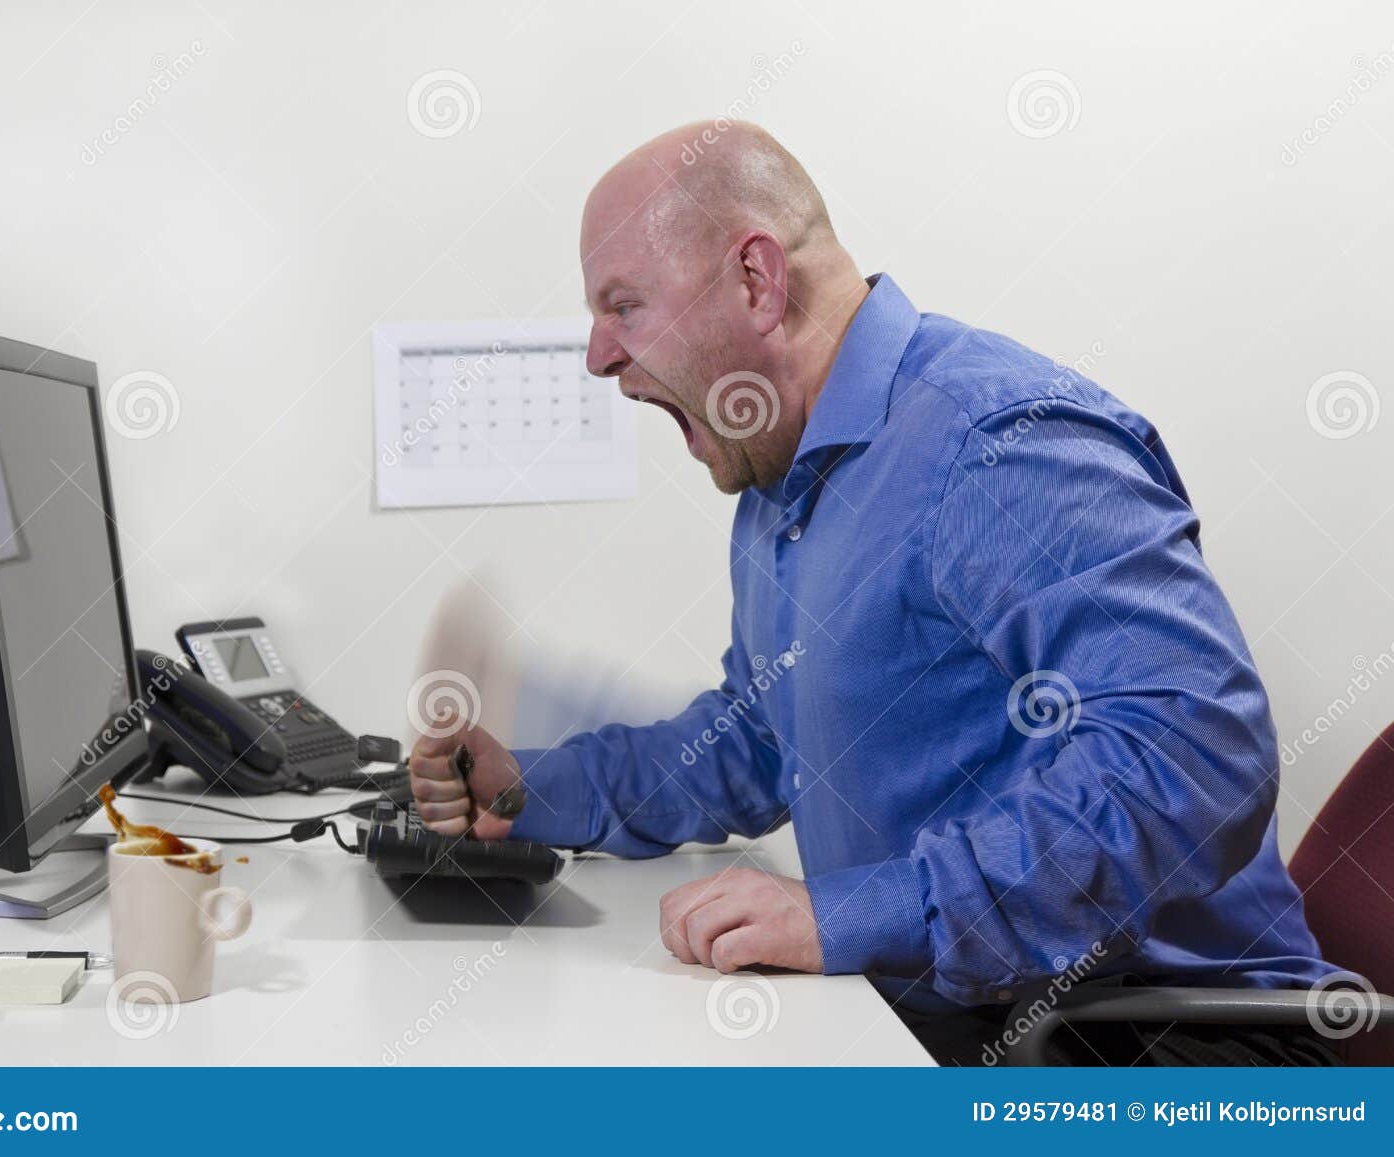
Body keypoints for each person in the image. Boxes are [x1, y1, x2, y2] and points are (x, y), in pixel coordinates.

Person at [407, 121, 1339, 1065]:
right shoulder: (777, 479)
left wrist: (859, 911)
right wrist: (531, 789)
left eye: (624, 306)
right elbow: (762, 741)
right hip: (960, 1016)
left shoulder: (996, 443)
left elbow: (1198, 754)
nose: (598, 356)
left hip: (1158, 1040)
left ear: (757, 281)